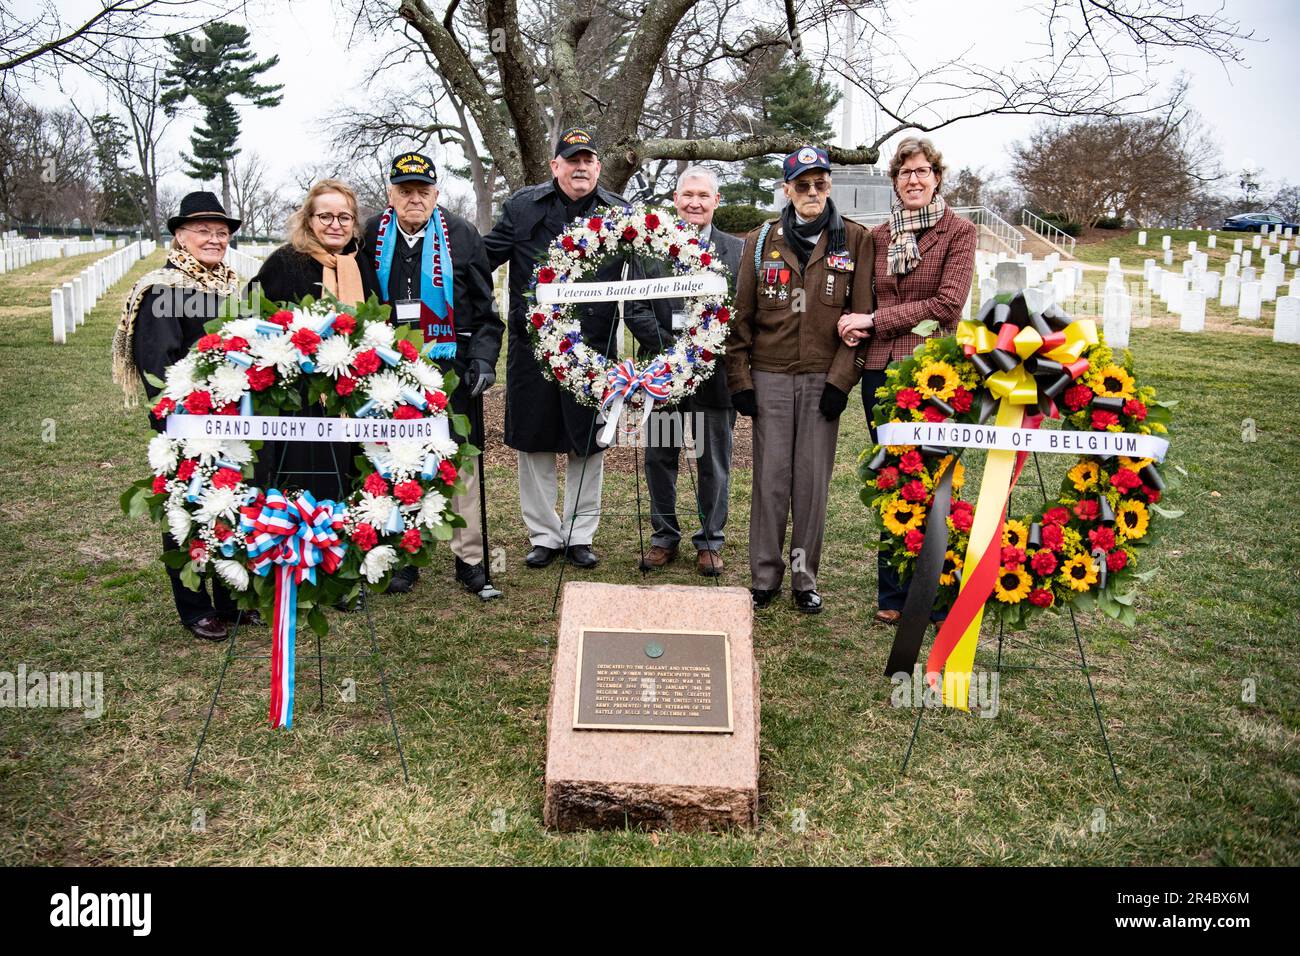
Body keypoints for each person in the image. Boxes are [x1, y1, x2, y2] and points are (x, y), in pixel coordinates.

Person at [483, 127, 663, 570]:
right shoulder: (524, 206)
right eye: (573, 160)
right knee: (535, 442)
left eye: (589, 161)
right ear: (555, 167)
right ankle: (544, 535)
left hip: (593, 349)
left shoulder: (619, 213)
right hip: (534, 349)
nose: (581, 167)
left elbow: (647, 277)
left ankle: (581, 534)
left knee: (588, 443)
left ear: (598, 168)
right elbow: (483, 258)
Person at [725, 146, 874, 613]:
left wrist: (841, 381)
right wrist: (740, 379)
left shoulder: (854, 240)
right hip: (769, 374)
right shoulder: (761, 240)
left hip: (820, 377)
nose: (812, 192)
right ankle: (764, 575)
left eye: (820, 184)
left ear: (829, 186)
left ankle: (804, 577)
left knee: (811, 483)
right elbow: (741, 316)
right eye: (802, 185)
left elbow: (862, 316)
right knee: (771, 479)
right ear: (787, 189)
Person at [836, 136, 977, 625]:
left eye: (921, 171)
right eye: (904, 173)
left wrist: (876, 319)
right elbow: (860, 297)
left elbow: (946, 305)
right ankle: (893, 594)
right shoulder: (878, 238)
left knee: (937, 480)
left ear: (937, 176)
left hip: (934, 373)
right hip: (879, 372)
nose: (913, 180)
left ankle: (940, 591)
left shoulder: (958, 232)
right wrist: (855, 323)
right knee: (894, 478)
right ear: (895, 182)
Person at [112, 191, 253, 641]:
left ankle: (232, 598)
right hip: (187, 422)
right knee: (190, 512)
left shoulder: (230, 285)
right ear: (179, 235)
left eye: (221, 233)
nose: (214, 240)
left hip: (236, 418)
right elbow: (159, 364)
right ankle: (195, 608)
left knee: (231, 505)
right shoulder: (162, 288)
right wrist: (184, 418)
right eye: (203, 231)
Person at [362, 152, 504, 597]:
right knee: (397, 461)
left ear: (436, 194)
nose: (414, 199)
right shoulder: (369, 235)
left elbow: (485, 312)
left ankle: (470, 559)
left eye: (423, 191)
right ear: (391, 195)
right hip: (390, 367)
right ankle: (404, 554)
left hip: (450, 364)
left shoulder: (462, 235)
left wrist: (482, 359)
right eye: (405, 191)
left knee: (458, 459)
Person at [248, 179, 380, 504]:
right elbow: (252, 314)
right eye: (326, 216)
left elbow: (378, 320)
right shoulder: (285, 262)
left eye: (344, 217)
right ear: (309, 219)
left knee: (347, 484)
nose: (336, 224)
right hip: (300, 403)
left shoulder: (360, 264)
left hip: (352, 397)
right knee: (305, 485)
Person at [639, 166, 743, 577]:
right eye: (687, 195)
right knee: (660, 457)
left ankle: (710, 541)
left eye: (703, 195)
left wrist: (703, 350)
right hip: (664, 378)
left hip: (715, 378)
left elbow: (743, 311)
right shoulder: (651, 250)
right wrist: (673, 352)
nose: (695, 202)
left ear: (716, 201)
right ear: (675, 200)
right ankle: (664, 537)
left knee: (712, 459)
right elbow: (636, 309)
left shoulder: (735, 251)